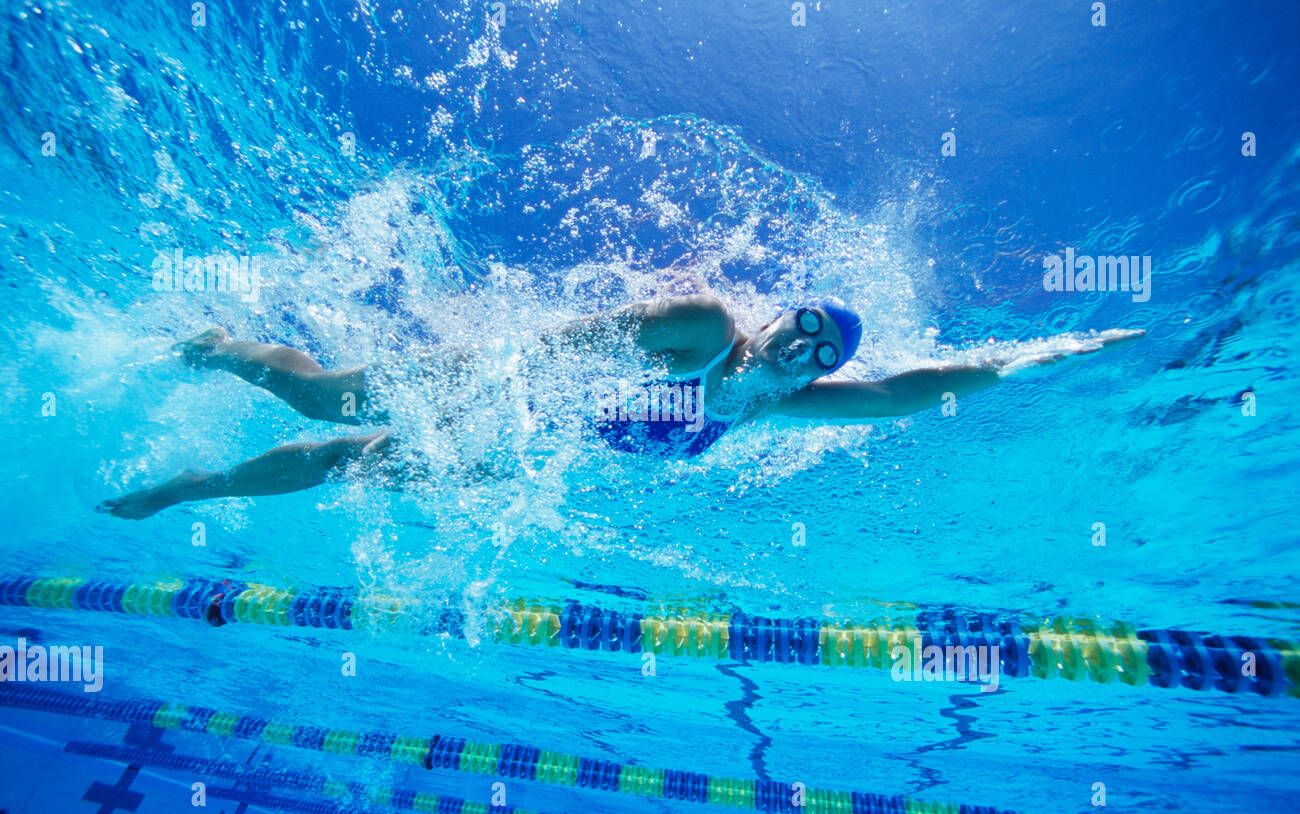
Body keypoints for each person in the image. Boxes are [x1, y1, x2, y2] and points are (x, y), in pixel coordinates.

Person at [96, 293, 1141, 518]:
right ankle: (226, 347)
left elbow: (925, 390)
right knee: (322, 396)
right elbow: (569, 340)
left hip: (529, 444)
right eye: (799, 328)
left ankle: (199, 485)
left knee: (355, 464)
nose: (800, 352)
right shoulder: (702, 328)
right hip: (507, 385)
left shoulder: (774, 412)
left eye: (819, 353)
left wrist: (1051, 348)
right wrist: (491, 381)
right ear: (772, 322)